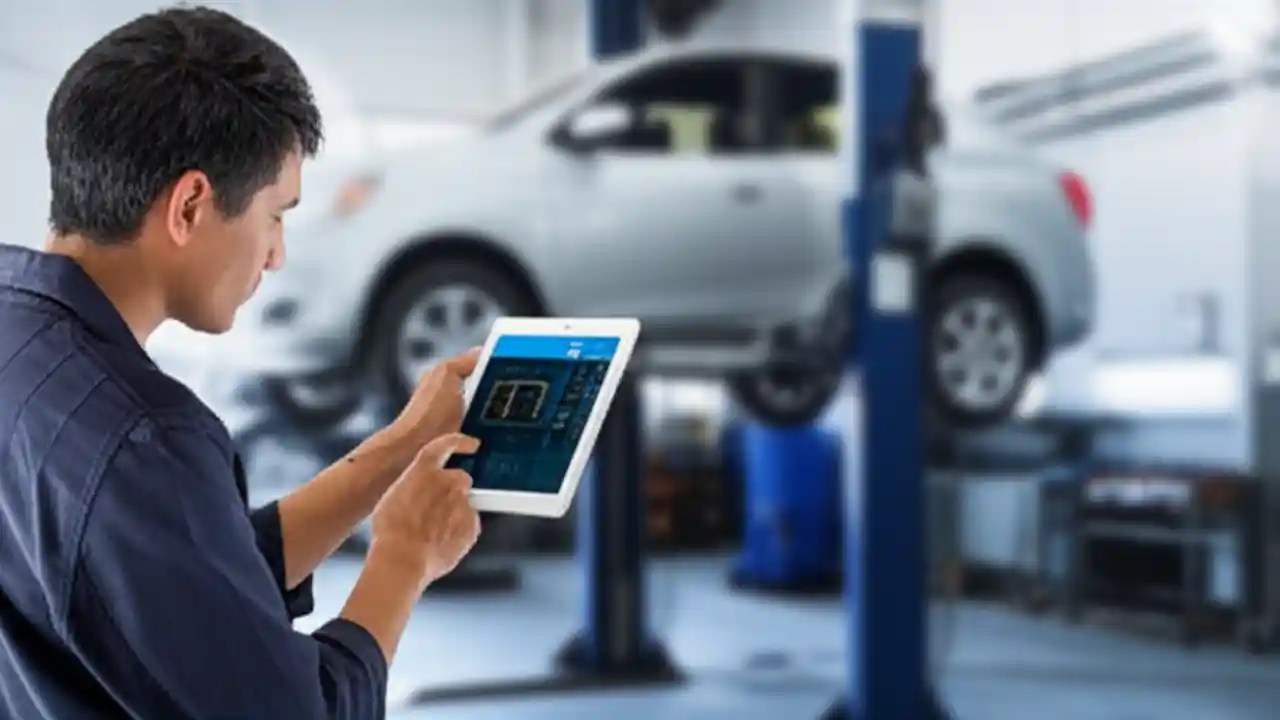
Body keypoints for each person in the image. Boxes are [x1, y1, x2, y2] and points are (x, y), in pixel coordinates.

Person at [0, 6, 483, 718]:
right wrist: (404, 559)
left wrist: (398, 450)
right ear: (191, 204)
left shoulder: (18, 337)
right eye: (275, 215)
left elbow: (190, 581)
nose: (277, 253)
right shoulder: (144, 439)